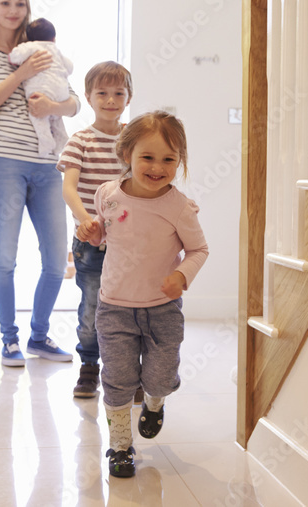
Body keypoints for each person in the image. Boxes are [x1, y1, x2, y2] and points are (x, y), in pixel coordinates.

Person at [76, 111, 209, 478]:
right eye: (147, 157)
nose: (157, 167)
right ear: (126, 154)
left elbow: (199, 250)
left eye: (169, 159)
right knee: (117, 380)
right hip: (114, 307)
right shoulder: (108, 194)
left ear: (180, 161)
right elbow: (107, 236)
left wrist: (181, 275)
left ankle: (154, 402)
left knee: (160, 378)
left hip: (162, 310)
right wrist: (93, 232)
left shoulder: (178, 208)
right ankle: (120, 447)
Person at [0, 0, 81, 367]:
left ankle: (39, 337)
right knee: (5, 258)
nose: (13, 11)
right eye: (6, 3)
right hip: (3, 166)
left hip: (48, 166)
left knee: (56, 260)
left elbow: (73, 97)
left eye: (21, 4)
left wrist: (53, 107)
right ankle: (9, 340)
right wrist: (21, 75)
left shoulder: (41, 49)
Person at [56, 61, 133, 399]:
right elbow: (69, 188)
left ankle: (130, 372)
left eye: (118, 93)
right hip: (91, 244)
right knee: (92, 308)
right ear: (88, 97)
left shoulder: (134, 140)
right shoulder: (81, 141)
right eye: (102, 93)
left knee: (131, 309)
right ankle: (90, 366)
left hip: (130, 243)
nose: (110, 100)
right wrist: (86, 218)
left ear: (129, 97)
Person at [9, 18, 74, 158]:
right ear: (54, 38)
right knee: (56, 118)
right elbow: (69, 67)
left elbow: (16, 56)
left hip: (41, 89)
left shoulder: (32, 46)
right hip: (61, 91)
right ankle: (62, 138)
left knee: (38, 116)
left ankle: (46, 142)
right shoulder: (56, 50)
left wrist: (12, 57)